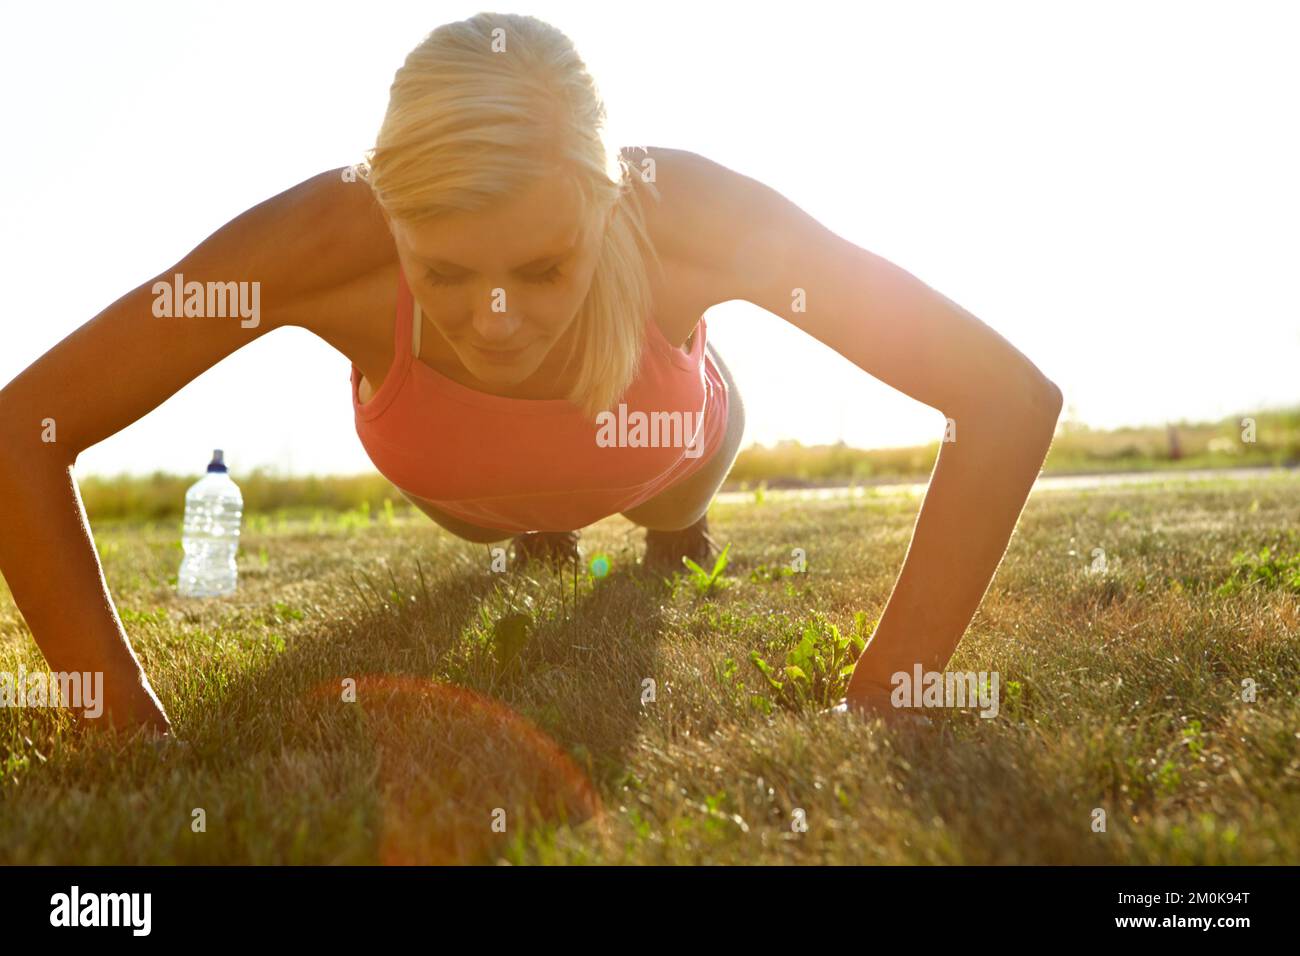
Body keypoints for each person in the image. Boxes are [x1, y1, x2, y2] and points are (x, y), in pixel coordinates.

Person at [0, 12, 1061, 735]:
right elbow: (21, 428)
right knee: (504, 525)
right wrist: (117, 718)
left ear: (605, 204)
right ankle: (542, 530)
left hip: (668, 454)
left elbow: (1006, 397)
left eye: (545, 266)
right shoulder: (323, 239)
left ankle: (672, 529)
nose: (494, 320)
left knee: (671, 493)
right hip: (463, 488)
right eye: (444, 271)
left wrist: (889, 686)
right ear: (389, 219)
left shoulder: (690, 217)